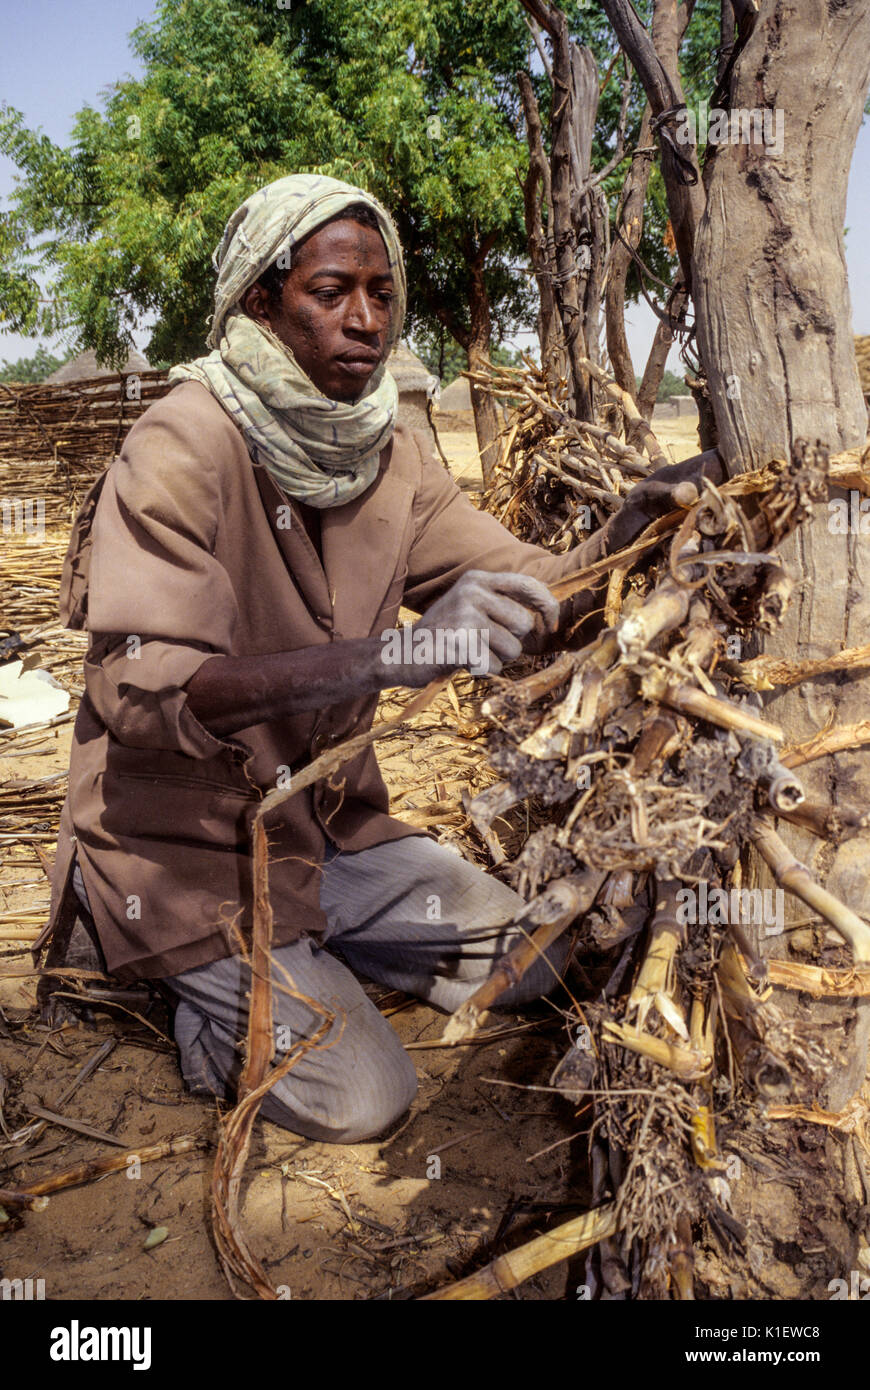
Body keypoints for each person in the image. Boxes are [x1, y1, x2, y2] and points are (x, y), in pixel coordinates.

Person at [47, 174, 720, 1143]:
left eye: (381, 292)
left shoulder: (393, 453)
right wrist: (389, 657)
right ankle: (170, 977)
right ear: (260, 303)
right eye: (331, 292)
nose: (365, 318)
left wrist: (633, 523)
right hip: (189, 849)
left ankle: (315, 952)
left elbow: (537, 593)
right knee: (367, 1096)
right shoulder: (181, 444)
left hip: (325, 834)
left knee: (539, 955)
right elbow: (154, 690)